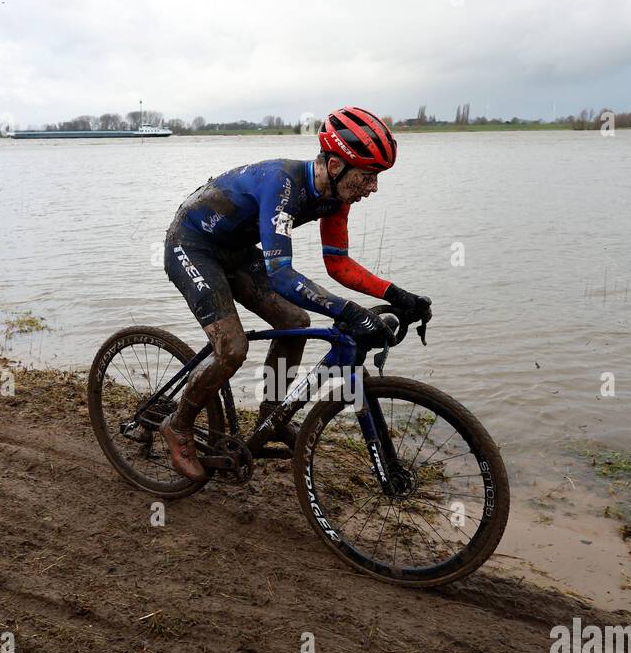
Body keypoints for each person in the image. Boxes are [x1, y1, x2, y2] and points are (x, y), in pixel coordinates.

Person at [159, 106, 431, 481]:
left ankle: (272, 411)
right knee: (233, 347)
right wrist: (348, 311)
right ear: (335, 166)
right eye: (368, 177)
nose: (373, 187)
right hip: (191, 245)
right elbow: (282, 274)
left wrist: (398, 294)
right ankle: (177, 425)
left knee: (294, 321)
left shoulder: (336, 198)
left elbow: (338, 264)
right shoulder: (280, 183)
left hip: (235, 252)